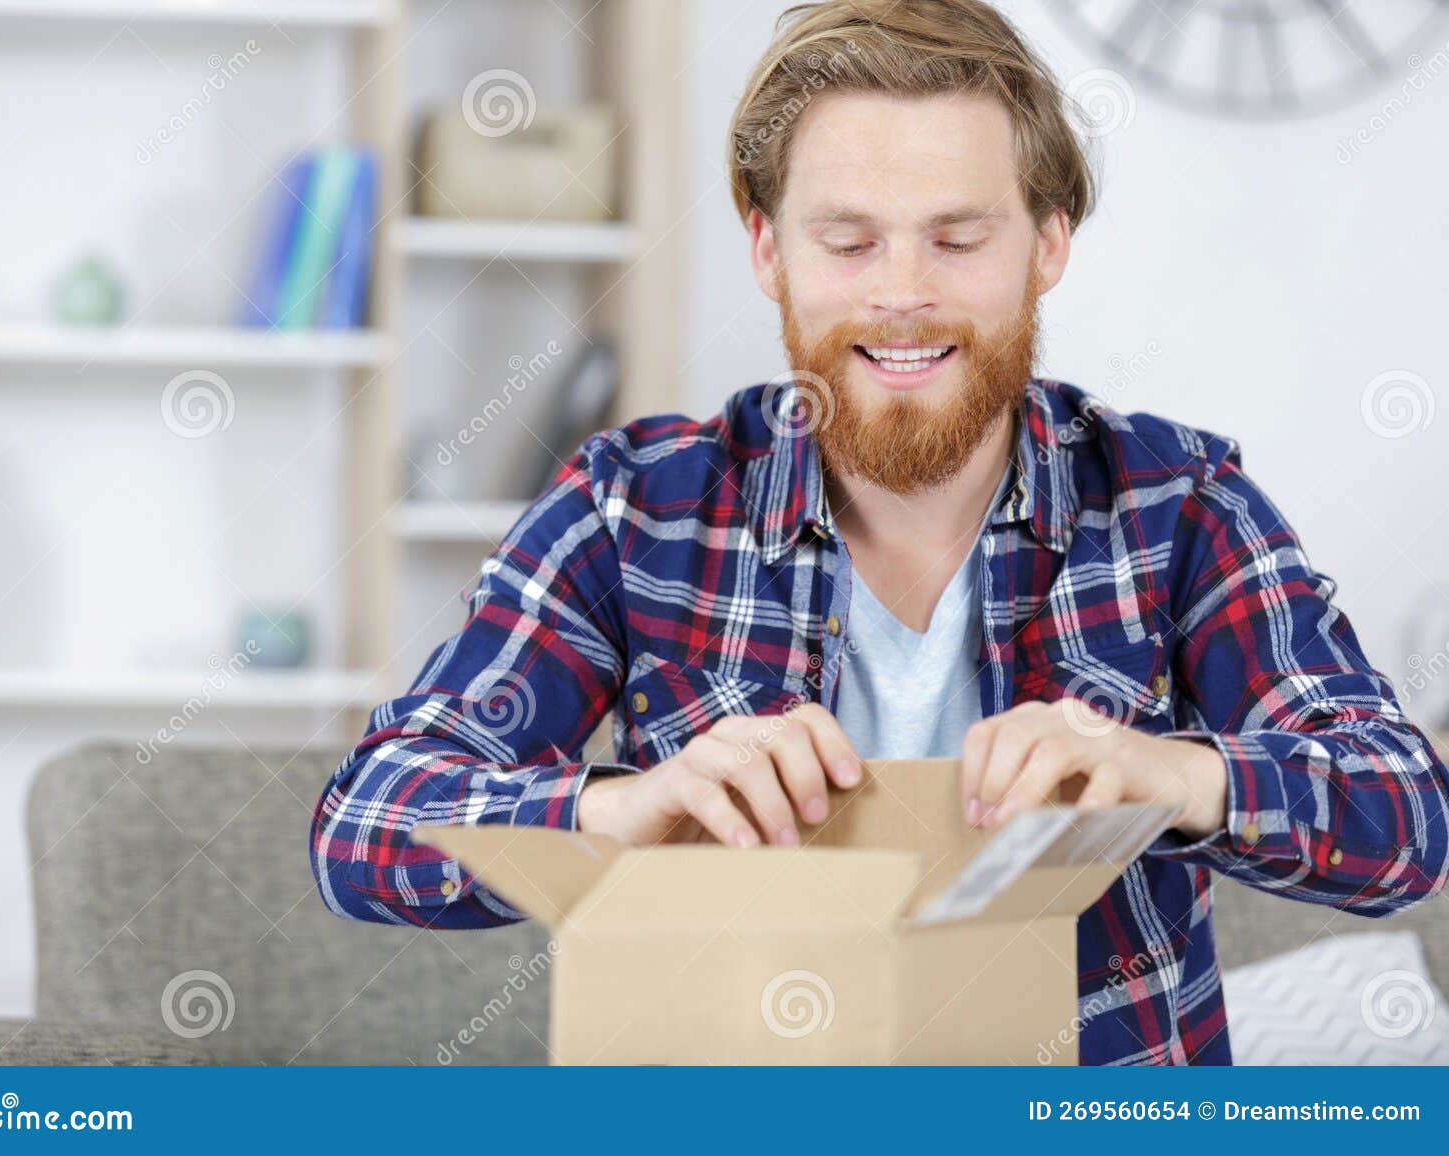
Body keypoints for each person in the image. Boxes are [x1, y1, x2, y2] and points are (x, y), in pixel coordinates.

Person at [309, 0, 1449, 1065]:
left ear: (1047, 243)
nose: (902, 293)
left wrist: (1171, 773)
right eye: (847, 241)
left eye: (957, 238)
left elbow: (1402, 818)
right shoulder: (632, 508)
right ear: (767, 249)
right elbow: (364, 824)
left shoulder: (1177, 504)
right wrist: (613, 811)